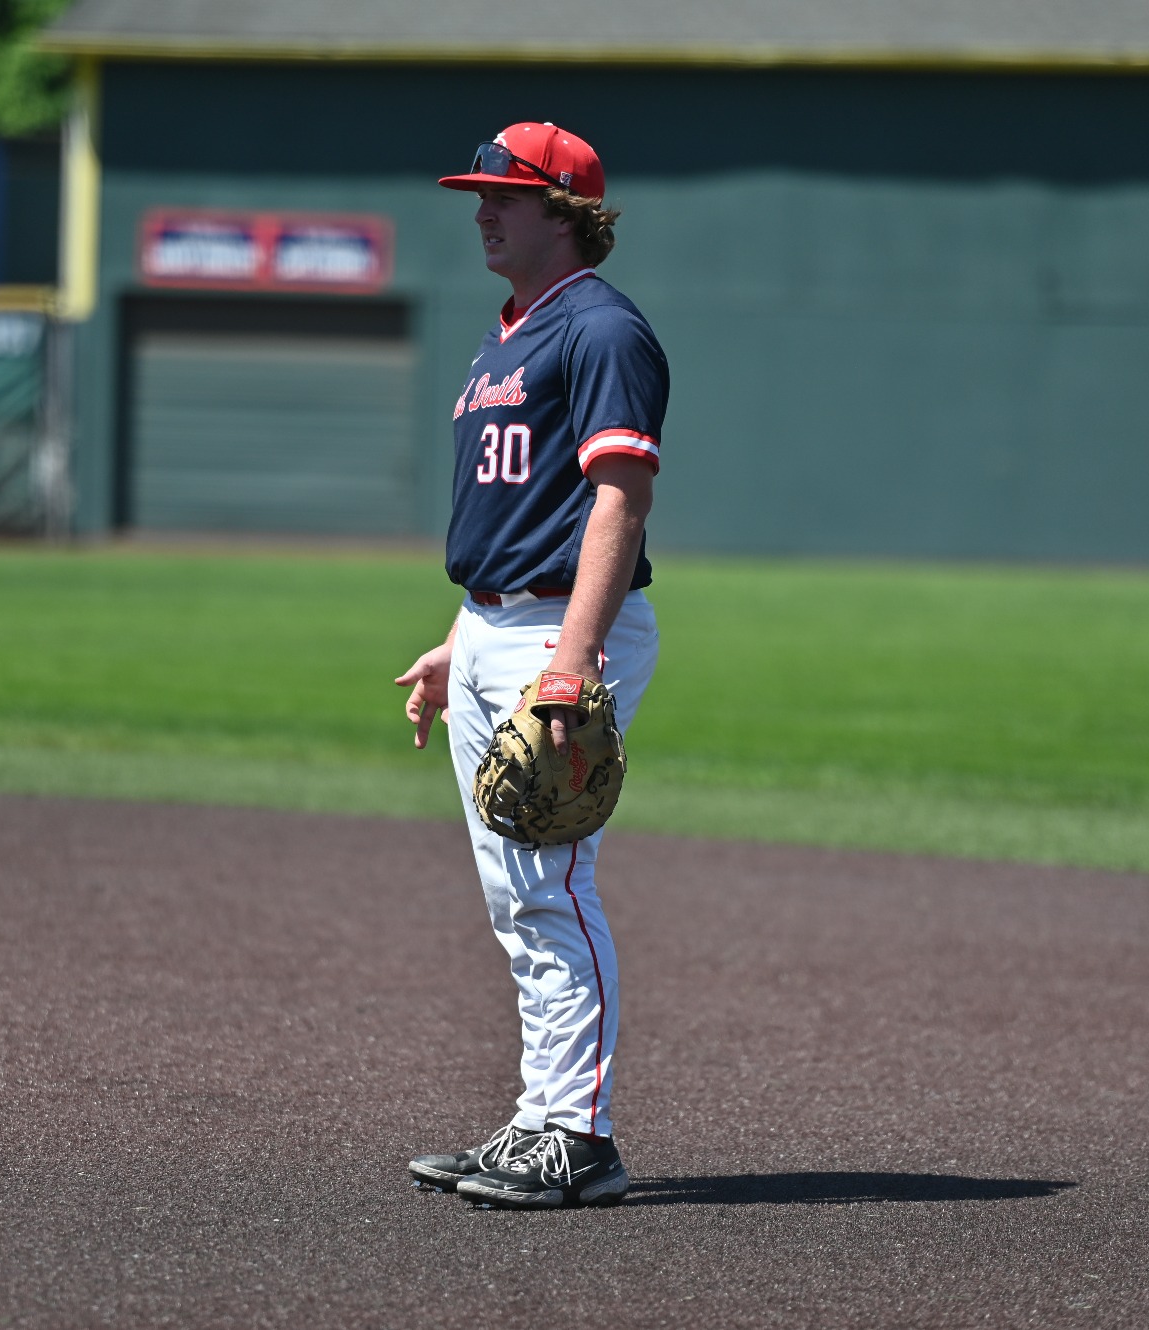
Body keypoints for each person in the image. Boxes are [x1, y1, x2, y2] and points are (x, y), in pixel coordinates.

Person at [395, 123, 669, 1210]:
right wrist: (459, 637)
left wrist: (568, 659)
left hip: (563, 631)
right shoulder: (506, 334)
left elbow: (617, 499)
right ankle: (539, 1118)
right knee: (515, 895)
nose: (480, 211)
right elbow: (518, 512)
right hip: (493, 627)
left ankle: (580, 1139)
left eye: (503, 195)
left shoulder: (599, 330)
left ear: (565, 209)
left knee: (548, 883)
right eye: (477, 193)